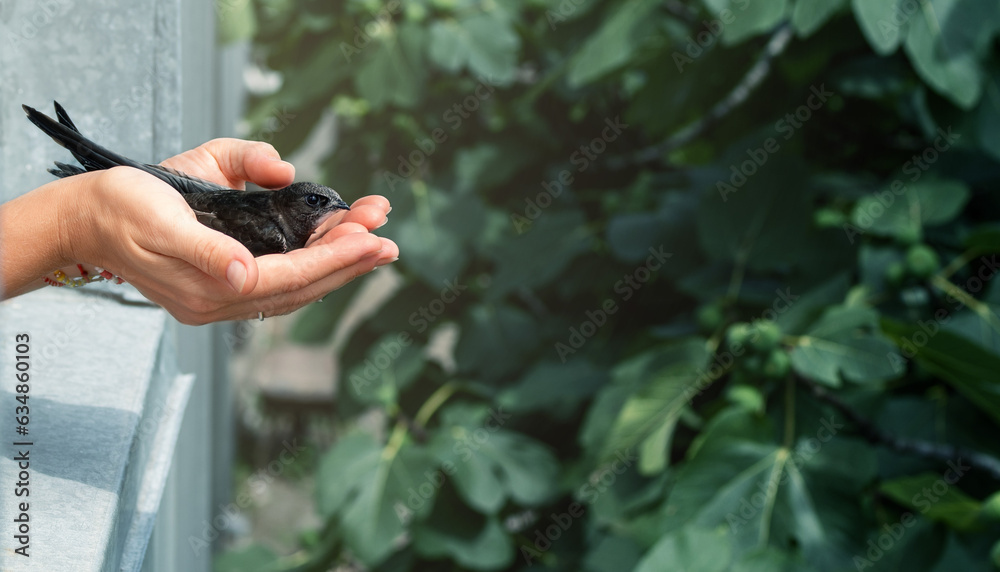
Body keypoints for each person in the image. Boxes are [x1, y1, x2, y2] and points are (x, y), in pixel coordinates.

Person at [0, 138, 398, 324]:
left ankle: (89, 163)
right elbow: (203, 210)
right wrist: (80, 222)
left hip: (203, 197)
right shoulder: (275, 236)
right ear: (291, 203)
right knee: (109, 167)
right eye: (317, 202)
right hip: (197, 203)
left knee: (110, 167)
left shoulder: (279, 222)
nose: (332, 210)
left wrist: (88, 242)